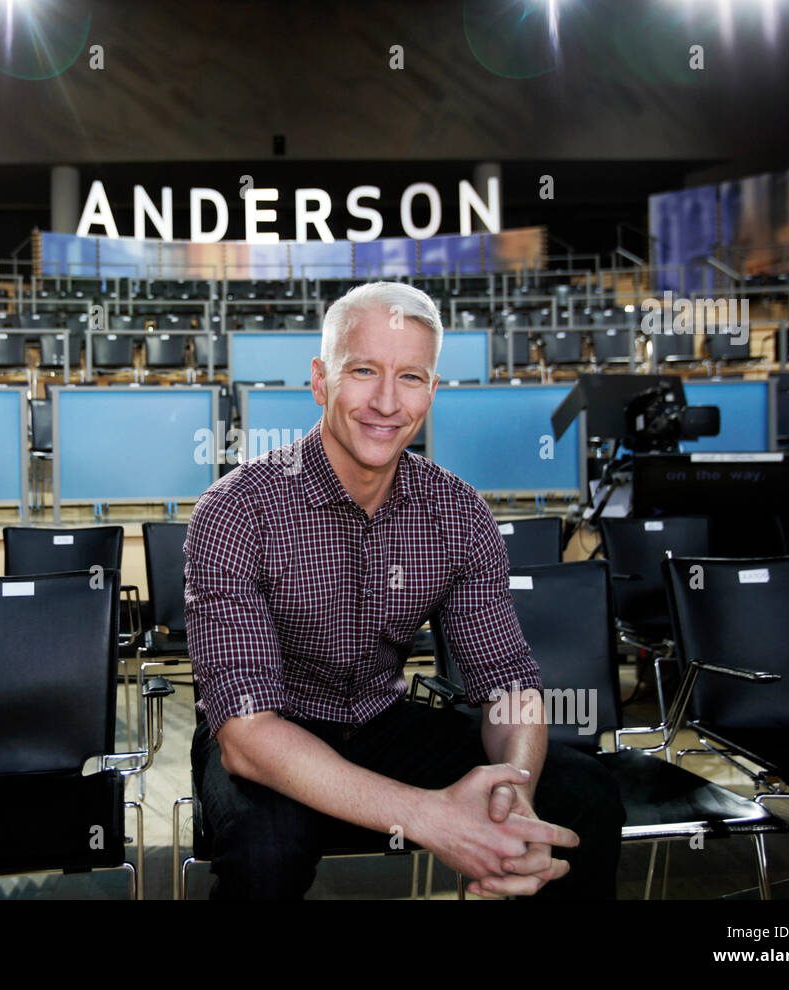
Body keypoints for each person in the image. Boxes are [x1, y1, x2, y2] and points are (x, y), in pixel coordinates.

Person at [184, 281, 624, 899]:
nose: (386, 402)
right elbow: (247, 736)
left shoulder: (458, 511)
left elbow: (508, 684)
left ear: (432, 391)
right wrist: (431, 816)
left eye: (411, 377)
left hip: (379, 715)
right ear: (320, 381)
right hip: (273, 731)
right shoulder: (236, 510)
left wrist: (513, 792)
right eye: (363, 370)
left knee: (583, 793)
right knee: (267, 851)